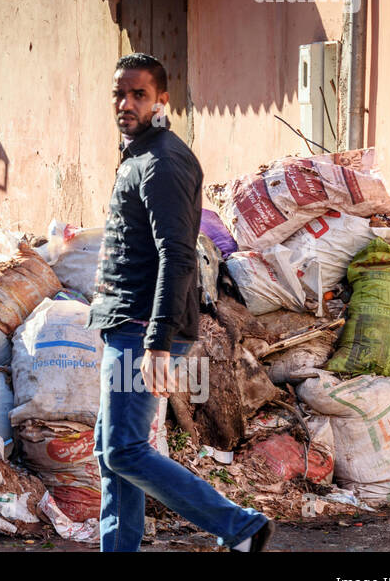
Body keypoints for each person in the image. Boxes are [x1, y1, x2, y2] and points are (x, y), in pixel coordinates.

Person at [88, 52, 273, 553]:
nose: (126, 104)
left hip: (142, 326)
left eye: (139, 95)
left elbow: (179, 256)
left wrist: (157, 343)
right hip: (127, 320)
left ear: (161, 100)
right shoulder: (141, 155)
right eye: (119, 95)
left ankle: (240, 526)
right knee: (113, 454)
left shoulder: (163, 162)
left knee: (124, 449)